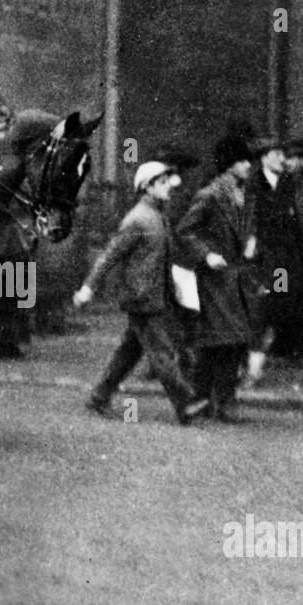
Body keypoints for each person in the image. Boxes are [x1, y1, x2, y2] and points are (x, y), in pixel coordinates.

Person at [74, 162, 206, 425]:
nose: (169, 187)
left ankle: (99, 395)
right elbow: (109, 255)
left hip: (152, 295)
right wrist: (88, 288)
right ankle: (186, 403)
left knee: (130, 351)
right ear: (147, 187)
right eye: (164, 182)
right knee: (161, 353)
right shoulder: (138, 219)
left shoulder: (157, 216)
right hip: (143, 298)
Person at [176, 136, 261, 421]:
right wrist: (207, 254)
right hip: (215, 280)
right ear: (228, 165)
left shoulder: (246, 193)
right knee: (221, 341)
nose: (248, 165)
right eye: (242, 161)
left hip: (238, 278)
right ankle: (213, 400)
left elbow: (247, 227)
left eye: (249, 160)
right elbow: (186, 230)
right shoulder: (210, 194)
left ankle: (211, 400)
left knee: (231, 341)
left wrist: (251, 240)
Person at [246, 134, 303, 376]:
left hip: (285, 257)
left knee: (281, 300)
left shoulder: (288, 183)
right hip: (261, 256)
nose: (282, 159)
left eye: (283, 155)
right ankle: (252, 363)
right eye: (277, 155)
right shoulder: (253, 182)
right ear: (264, 158)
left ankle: (277, 351)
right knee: (260, 306)